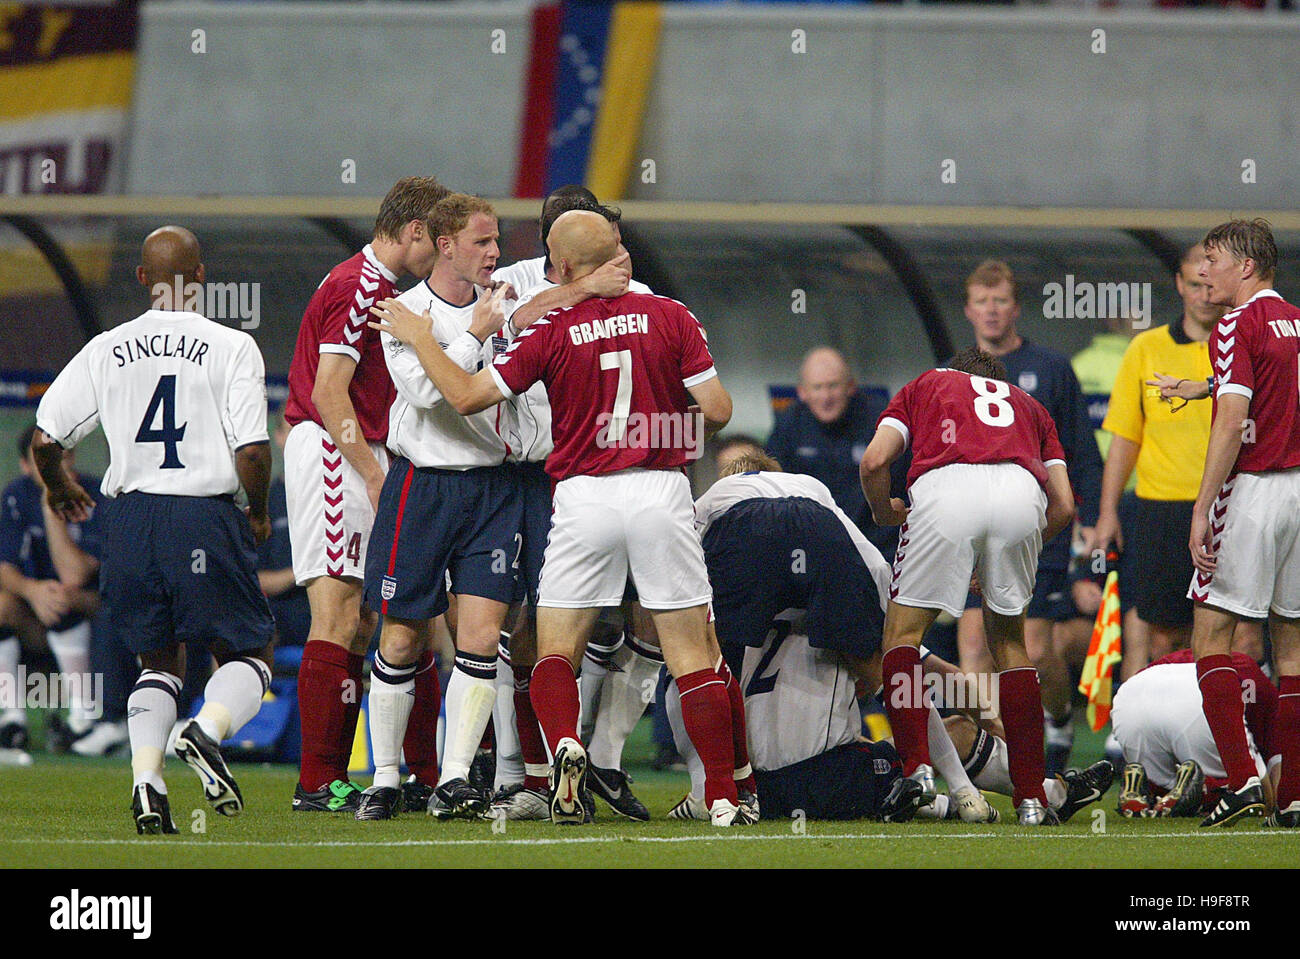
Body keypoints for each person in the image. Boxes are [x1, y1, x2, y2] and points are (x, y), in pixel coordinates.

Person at [368, 209, 748, 826]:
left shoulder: (555, 326)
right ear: (617, 253)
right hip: (657, 490)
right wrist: (656, 420)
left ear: (561, 266)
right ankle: (725, 799)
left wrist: (418, 338)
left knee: (553, 651)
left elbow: (464, 397)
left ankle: (560, 753)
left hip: (581, 496)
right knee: (688, 651)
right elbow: (719, 409)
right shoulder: (670, 314)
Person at [33, 225, 276, 834]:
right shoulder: (231, 345)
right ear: (200, 278)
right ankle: (206, 729)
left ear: (142, 279)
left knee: (158, 662)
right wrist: (258, 508)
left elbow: (45, 441)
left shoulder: (106, 347)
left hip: (131, 519)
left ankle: (146, 781)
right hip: (201, 513)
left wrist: (62, 490)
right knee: (248, 652)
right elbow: (251, 450)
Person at [354, 193, 522, 821]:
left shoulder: (508, 306)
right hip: (420, 486)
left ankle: (454, 780)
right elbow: (427, 393)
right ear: (445, 245)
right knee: (399, 638)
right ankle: (388, 777)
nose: (495, 252)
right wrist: (476, 334)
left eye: (497, 240)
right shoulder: (401, 311)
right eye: (482, 242)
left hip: (491, 491)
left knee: (480, 638)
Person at [282, 175, 447, 814]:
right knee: (339, 616)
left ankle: (389, 774)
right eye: (436, 244)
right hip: (334, 451)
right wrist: (373, 474)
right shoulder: (359, 287)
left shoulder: (374, 286)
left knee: (375, 621)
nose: (438, 258)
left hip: (356, 452)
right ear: (413, 234)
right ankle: (318, 782)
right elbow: (329, 393)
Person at [859, 347, 1077, 825]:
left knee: (901, 639)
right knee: (1011, 645)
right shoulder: (1030, 406)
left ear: (955, 374)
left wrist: (882, 513)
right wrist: (1010, 553)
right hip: (1022, 495)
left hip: (947, 490)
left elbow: (875, 461)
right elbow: (1062, 506)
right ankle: (1032, 799)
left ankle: (917, 771)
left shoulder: (928, 382)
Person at [952, 260, 1103, 775]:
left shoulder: (1052, 368)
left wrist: (1092, 521)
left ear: (1014, 309)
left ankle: (1059, 716)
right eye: (982, 301)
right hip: (976, 527)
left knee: (1036, 649)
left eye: (1000, 301)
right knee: (973, 644)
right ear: (969, 309)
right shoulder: (953, 371)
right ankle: (998, 754)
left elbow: (1081, 451)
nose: (991, 311)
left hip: (1042, 525)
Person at [1174, 219, 1300, 828]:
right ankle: (1295, 793)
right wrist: (1204, 385)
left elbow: (1234, 419)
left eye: (1213, 261)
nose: (1203, 274)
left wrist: (1202, 507)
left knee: (1211, 637)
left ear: (1246, 267)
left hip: (1252, 490)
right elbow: (1277, 385)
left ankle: (1245, 779)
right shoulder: (1295, 321)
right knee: (1292, 643)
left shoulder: (1233, 323)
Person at [0, 424, 114, 758]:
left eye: (64, 458)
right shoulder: (15, 496)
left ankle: (84, 716)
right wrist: (32, 590)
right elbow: (4, 565)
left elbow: (78, 575)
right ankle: (12, 719)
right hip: (37, 611)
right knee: (2, 603)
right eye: (45, 462)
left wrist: (53, 506)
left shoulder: (94, 494)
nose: (57, 469)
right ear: (24, 465)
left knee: (68, 597)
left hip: (93, 609)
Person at [766, 347, 907, 558]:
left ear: (850, 386)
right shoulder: (788, 426)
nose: (825, 396)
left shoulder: (882, 422)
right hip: (812, 549)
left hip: (878, 547)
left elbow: (902, 491)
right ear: (802, 392)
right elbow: (774, 491)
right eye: (817, 387)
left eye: (833, 386)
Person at [1111, 649, 1277, 818]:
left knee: (1164, 781)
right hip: (1197, 697)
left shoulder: (1168, 659)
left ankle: (1146, 791)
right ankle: (1204, 791)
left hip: (1130, 697)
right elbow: (1275, 747)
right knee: (1253, 792)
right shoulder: (1244, 664)